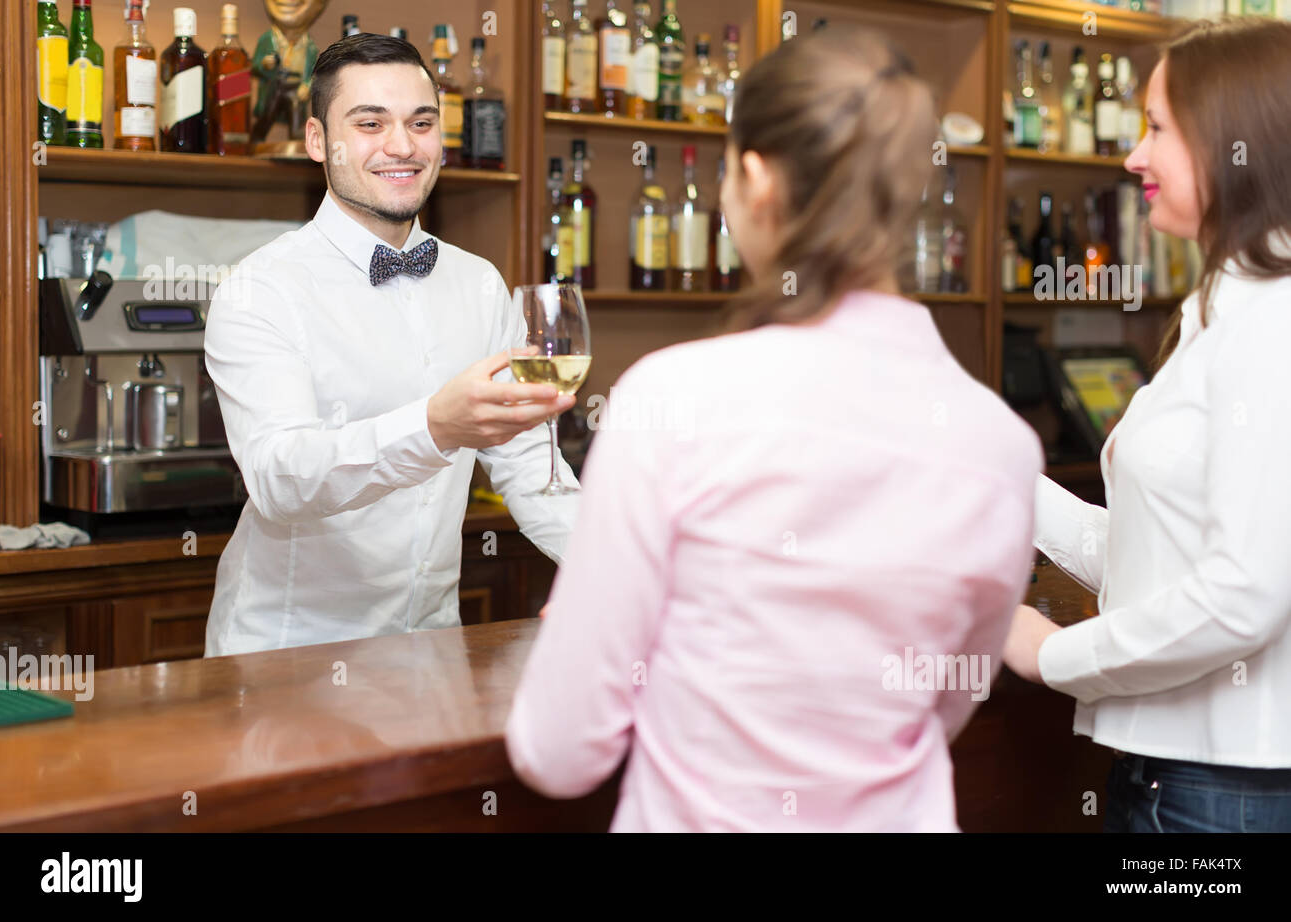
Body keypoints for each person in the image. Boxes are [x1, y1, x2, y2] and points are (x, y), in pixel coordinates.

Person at [505, 27, 1044, 832]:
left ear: (754, 179)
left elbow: (560, 752)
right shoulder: (1002, 444)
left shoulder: (670, 398)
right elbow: (944, 704)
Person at [1004, 17, 1291, 833]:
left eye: (1158, 127)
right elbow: (1156, 555)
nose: (1133, 156)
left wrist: (1046, 652)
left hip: (1226, 793)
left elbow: (1245, 593)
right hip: (1182, 780)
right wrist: (996, 477)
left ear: (1234, 140)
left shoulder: (1272, 322)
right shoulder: (1219, 310)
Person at [203, 34, 578, 657]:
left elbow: (531, 469)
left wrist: (621, 573)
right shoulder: (259, 289)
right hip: (289, 657)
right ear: (320, 141)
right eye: (370, 123)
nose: (402, 146)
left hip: (432, 648)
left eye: (421, 122)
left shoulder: (480, 284)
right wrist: (433, 428)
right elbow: (278, 478)